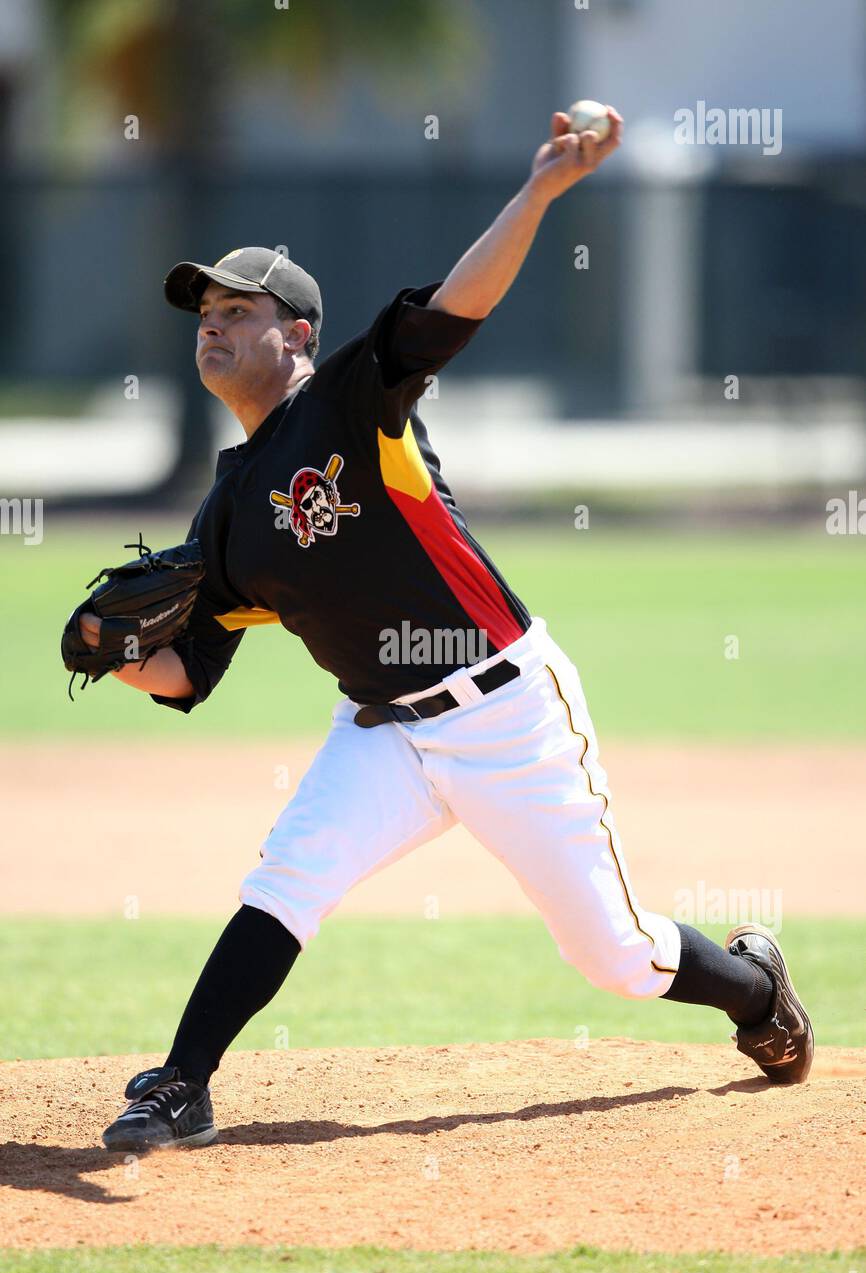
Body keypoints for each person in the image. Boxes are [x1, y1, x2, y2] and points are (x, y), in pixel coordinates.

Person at [83, 109, 812, 1151]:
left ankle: (753, 989)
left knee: (612, 957)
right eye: (202, 309)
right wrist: (111, 657)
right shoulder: (228, 507)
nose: (211, 321)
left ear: (296, 333)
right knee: (286, 879)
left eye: (236, 308)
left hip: (510, 712)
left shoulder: (350, 401)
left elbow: (451, 309)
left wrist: (541, 191)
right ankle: (181, 1085)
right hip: (382, 732)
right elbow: (186, 669)